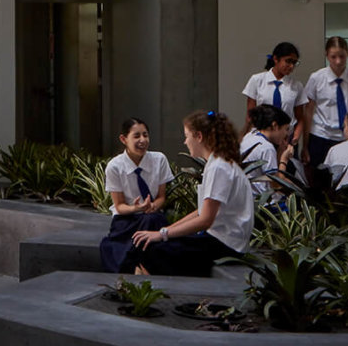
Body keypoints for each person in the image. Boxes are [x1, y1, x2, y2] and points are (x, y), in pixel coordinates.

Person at [131, 109, 254, 276]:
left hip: (227, 244)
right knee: (148, 245)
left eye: (187, 136)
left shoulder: (219, 167)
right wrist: (165, 231)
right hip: (220, 239)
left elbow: (205, 220)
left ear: (199, 137)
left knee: (152, 251)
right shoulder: (217, 163)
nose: (185, 142)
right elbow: (202, 211)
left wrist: (163, 234)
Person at [98, 118, 172, 274]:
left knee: (152, 220)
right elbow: (119, 206)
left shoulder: (159, 160)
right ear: (124, 139)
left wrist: (153, 206)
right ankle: (137, 266)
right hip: (126, 220)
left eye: (145, 135)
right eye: (137, 136)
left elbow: (161, 197)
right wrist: (135, 208)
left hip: (151, 216)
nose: (143, 140)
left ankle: (137, 266)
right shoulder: (115, 166)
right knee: (112, 244)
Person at [301, 37, 348, 169]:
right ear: (327, 56)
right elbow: (308, 112)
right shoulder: (317, 78)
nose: (338, 61)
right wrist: (305, 145)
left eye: (342, 56)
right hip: (321, 135)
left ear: (347, 54)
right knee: (318, 179)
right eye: (333, 57)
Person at [243, 41, 307, 139]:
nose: (291, 66)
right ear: (276, 59)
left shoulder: (296, 86)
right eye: (288, 61)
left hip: (286, 137)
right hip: (261, 135)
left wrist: (295, 138)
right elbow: (250, 115)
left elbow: (300, 118)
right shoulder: (257, 80)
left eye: (294, 63)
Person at [240, 104, 293, 196]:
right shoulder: (267, 148)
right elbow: (277, 184)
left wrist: (280, 151)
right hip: (261, 201)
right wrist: (284, 160)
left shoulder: (250, 135)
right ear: (275, 126)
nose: (287, 134)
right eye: (286, 129)